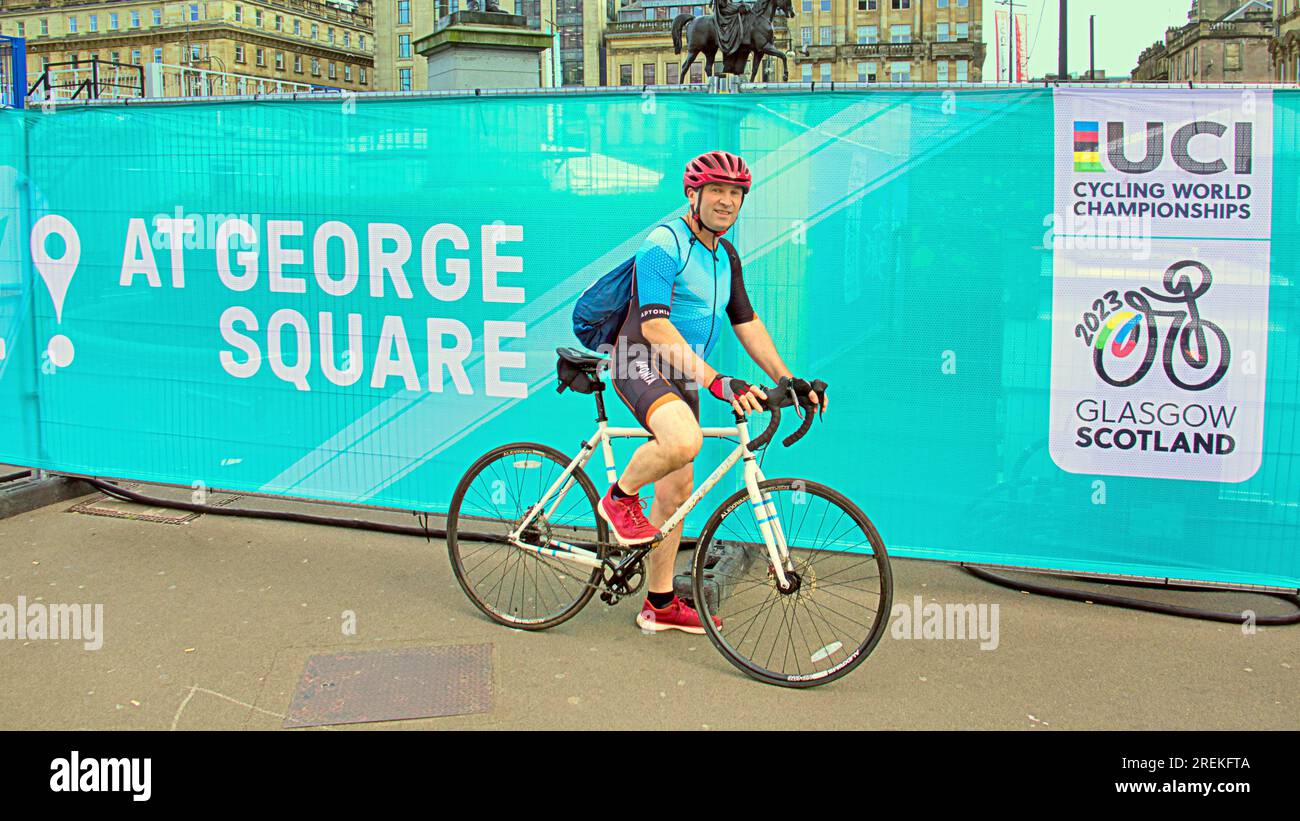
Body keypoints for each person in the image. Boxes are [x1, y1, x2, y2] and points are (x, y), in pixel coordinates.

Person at [598, 150, 827, 634]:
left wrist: (788, 380)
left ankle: (658, 604)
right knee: (683, 440)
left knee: (678, 492)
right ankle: (619, 498)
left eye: (736, 194)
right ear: (693, 195)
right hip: (639, 358)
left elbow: (746, 322)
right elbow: (656, 328)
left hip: (683, 372)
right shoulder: (664, 243)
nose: (727, 202)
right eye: (717, 191)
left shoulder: (725, 256)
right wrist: (718, 380)